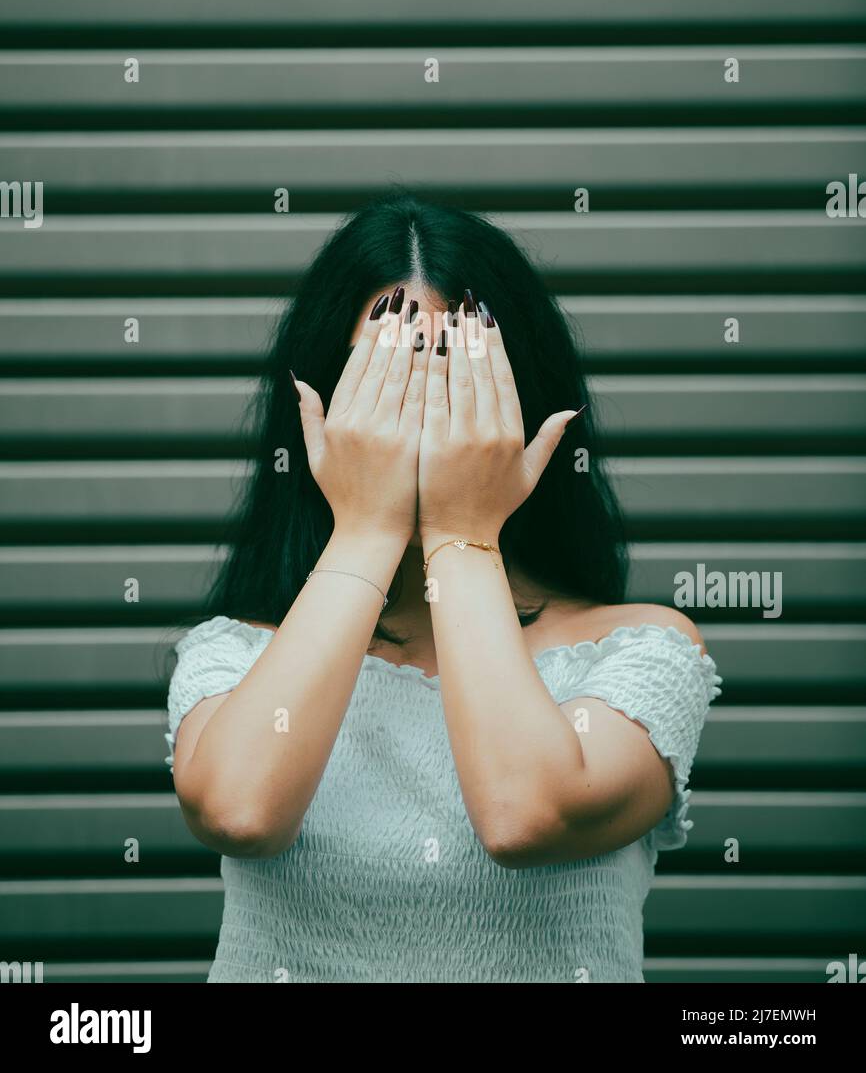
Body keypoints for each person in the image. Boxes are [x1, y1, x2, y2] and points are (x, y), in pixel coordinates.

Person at [164, 192, 722, 983]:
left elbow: (526, 812)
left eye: (459, 373)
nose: (425, 410)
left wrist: (462, 535)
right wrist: (365, 529)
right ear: (318, 410)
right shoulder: (240, 653)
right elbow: (241, 809)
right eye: (384, 375)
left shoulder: (638, 651)